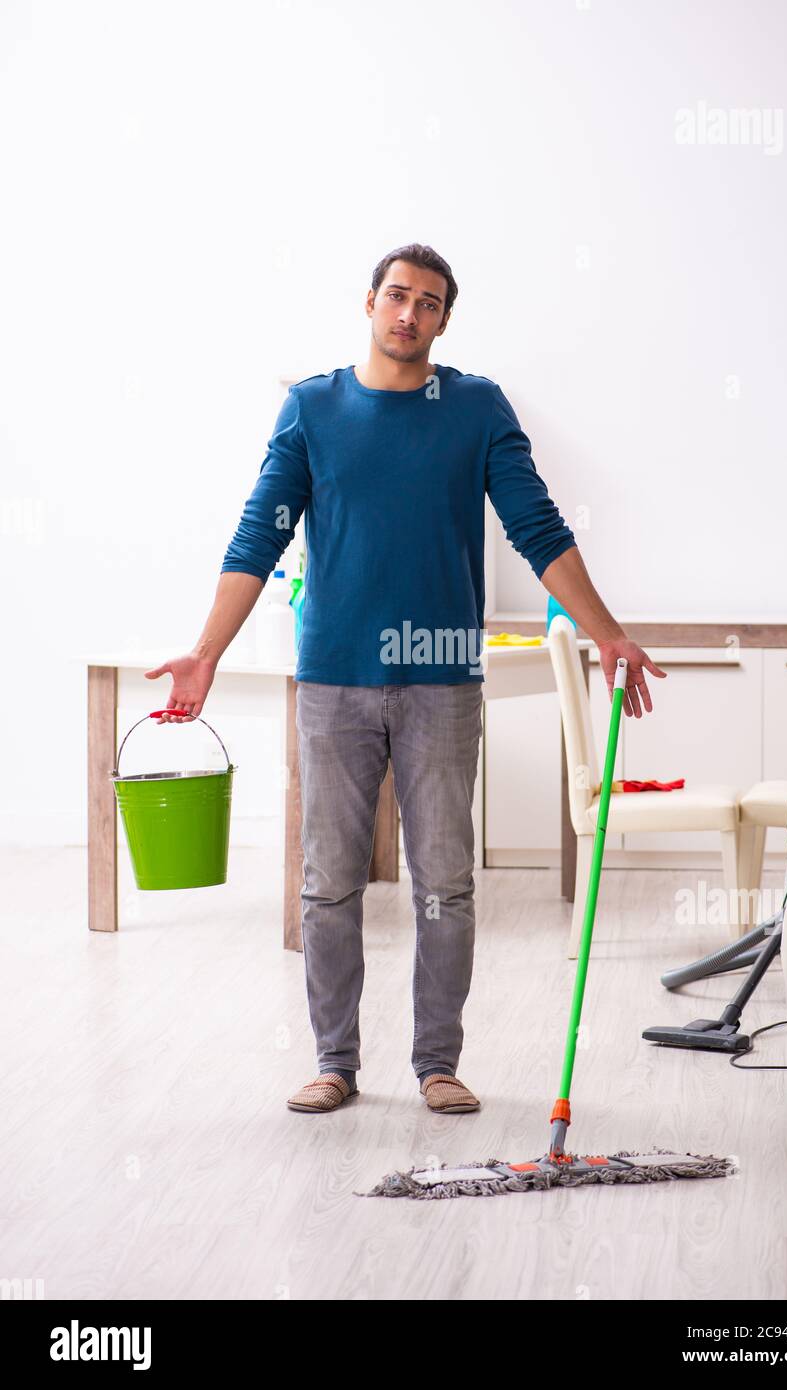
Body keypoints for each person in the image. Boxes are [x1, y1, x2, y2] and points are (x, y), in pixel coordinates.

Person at [145, 242, 666, 1116]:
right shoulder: (312, 408)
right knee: (328, 882)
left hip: (441, 685)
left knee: (444, 885)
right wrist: (206, 651)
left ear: (443, 319)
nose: (408, 314)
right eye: (396, 296)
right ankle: (334, 1063)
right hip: (335, 680)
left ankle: (436, 1064)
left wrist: (605, 632)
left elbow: (536, 527)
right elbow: (257, 537)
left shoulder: (474, 408)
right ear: (369, 302)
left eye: (427, 303)